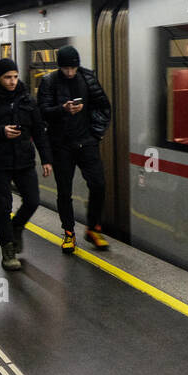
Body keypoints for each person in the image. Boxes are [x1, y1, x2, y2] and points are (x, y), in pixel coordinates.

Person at [0, 59, 53, 271]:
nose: (12, 81)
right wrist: (0, 131)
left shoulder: (27, 99)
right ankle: (8, 250)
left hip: (24, 160)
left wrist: (46, 159)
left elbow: (39, 131)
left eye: (15, 76)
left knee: (33, 201)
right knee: (4, 207)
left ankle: (16, 227)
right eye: (7, 77)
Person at [37, 44, 110, 252]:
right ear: (60, 67)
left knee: (99, 184)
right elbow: (42, 112)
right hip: (62, 145)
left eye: (73, 68)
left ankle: (93, 228)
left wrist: (96, 133)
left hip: (86, 142)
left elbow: (103, 106)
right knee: (64, 192)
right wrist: (63, 109)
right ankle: (69, 234)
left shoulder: (87, 78)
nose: (70, 72)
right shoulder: (49, 82)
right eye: (66, 69)